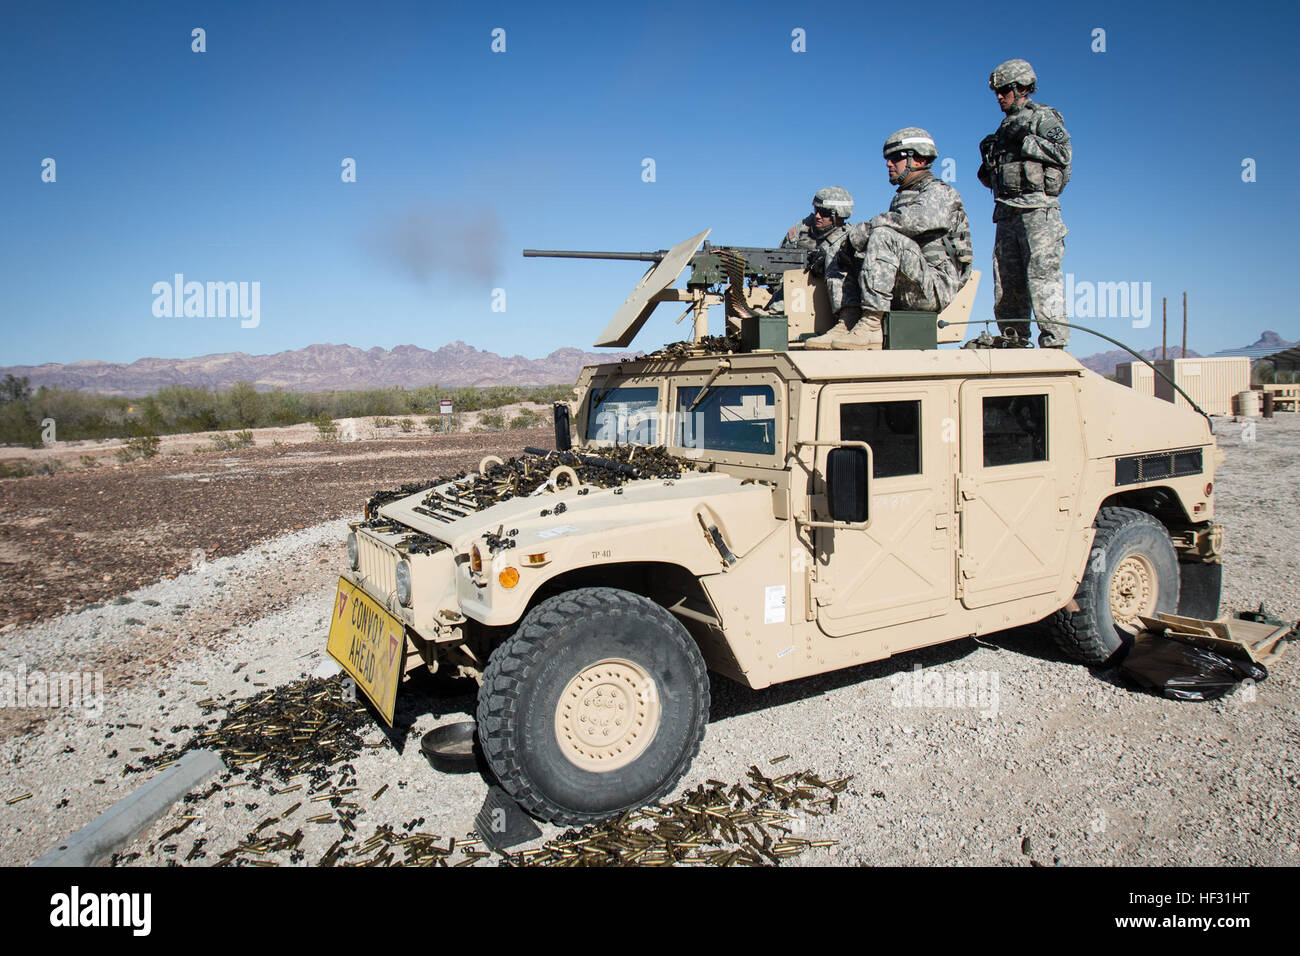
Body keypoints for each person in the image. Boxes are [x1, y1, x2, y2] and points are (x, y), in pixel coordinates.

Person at [808, 128, 972, 350]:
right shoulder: (902, 199)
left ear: (920, 159)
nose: (889, 164)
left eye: (896, 158)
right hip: (906, 286)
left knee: (882, 235)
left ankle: (872, 324)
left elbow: (915, 221)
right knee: (840, 244)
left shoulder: (940, 193)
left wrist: (867, 229)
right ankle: (848, 320)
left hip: (934, 288)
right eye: (888, 159)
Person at [977, 58, 1072, 348]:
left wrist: (1026, 141)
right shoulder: (1002, 128)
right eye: (997, 91)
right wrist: (989, 157)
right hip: (1006, 213)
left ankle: (1054, 342)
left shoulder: (1042, 118)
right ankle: (1014, 340)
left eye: (1004, 90)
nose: (999, 96)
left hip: (1037, 211)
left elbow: (1063, 153)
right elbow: (989, 179)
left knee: (1042, 275)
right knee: (1006, 283)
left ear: (1021, 88)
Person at [765, 187, 857, 325]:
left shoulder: (850, 239)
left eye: (824, 212)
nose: (818, 216)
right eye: (816, 210)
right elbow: (779, 260)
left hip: (828, 305)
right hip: (792, 299)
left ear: (839, 215)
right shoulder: (800, 233)